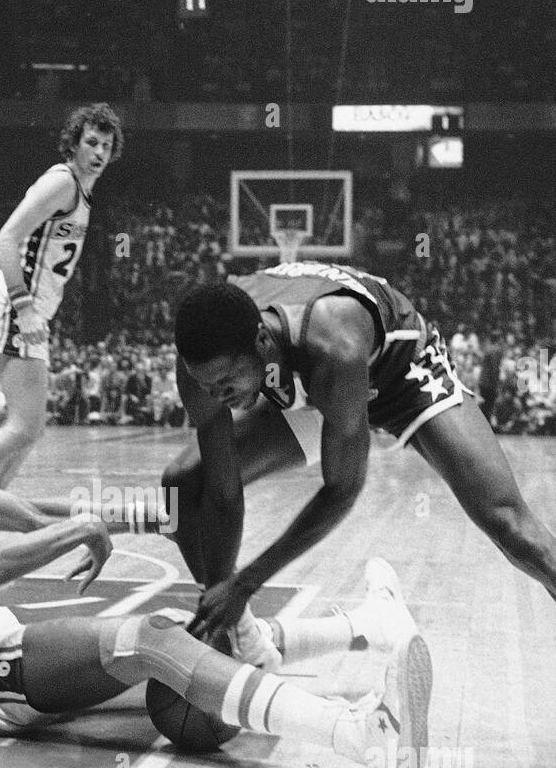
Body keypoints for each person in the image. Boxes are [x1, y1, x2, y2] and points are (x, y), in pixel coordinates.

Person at [0, 351, 433, 768]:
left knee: (189, 635)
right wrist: (78, 532)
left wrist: (150, 515)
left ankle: (367, 623)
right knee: (148, 640)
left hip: (1, 654)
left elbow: (30, 513)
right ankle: (357, 735)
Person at [162, 262, 556, 657]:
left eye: (227, 382)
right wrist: (221, 594)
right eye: (206, 385)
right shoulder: (201, 360)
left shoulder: (335, 349)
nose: (216, 395)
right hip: (310, 381)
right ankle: (241, 638)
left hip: (399, 372)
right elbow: (222, 493)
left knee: (508, 524)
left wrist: (246, 582)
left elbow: (342, 489)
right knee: (184, 483)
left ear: (262, 342)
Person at [0, 103, 123, 487]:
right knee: (25, 428)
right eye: (91, 142)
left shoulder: (82, 194)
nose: (98, 153)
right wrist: (25, 307)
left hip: (34, 315)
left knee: (29, 431)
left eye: (106, 146)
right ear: (73, 145)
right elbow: (5, 239)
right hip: (19, 309)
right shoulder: (61, 182)